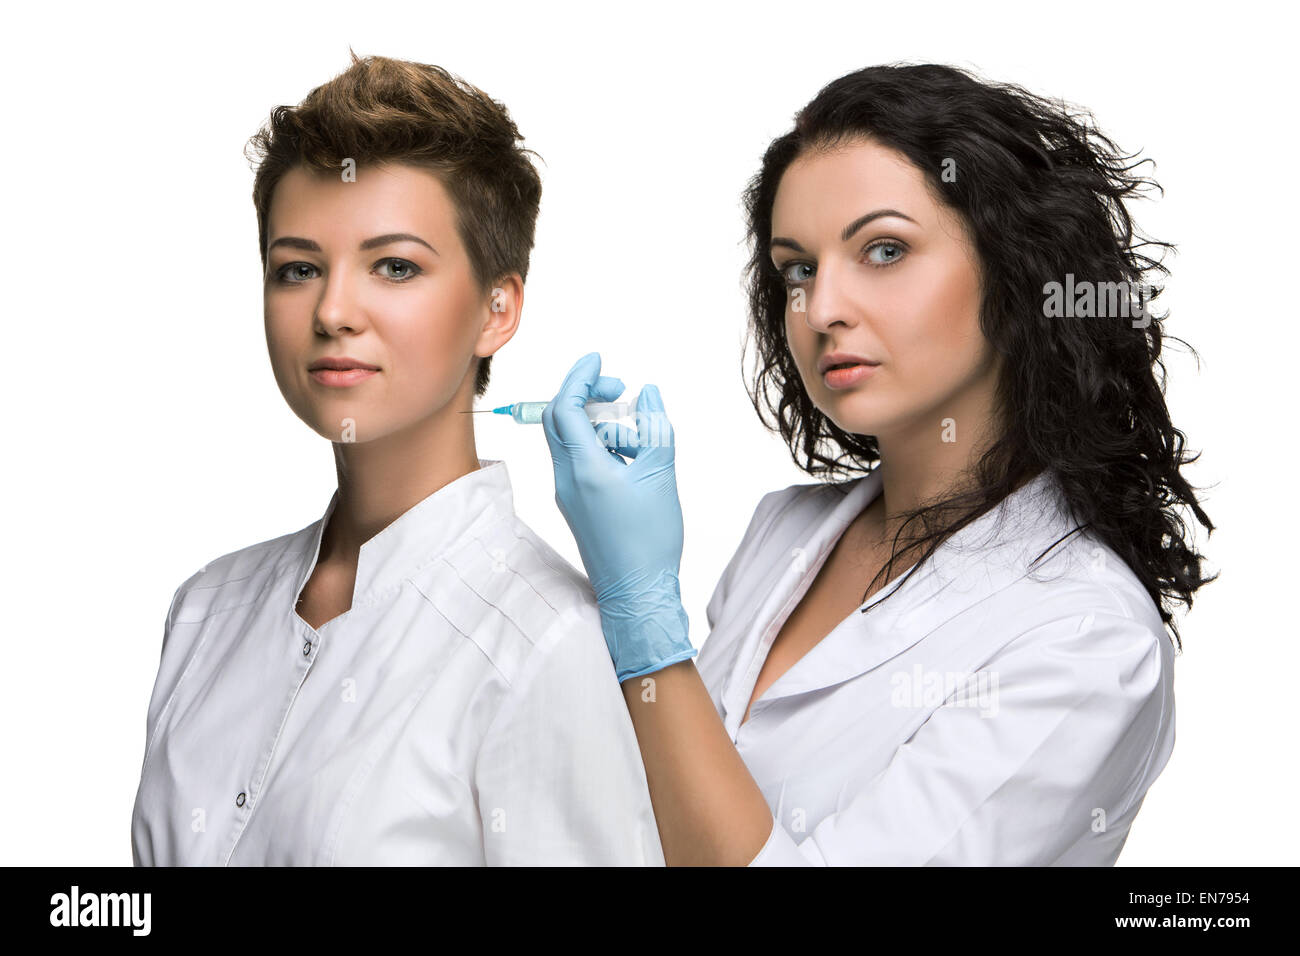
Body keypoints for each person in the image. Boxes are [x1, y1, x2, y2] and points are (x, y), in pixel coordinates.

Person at [542, 63, 1215, 866]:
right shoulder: (783, 532)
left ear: (1016, 274)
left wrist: (643, 615)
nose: (822, 308)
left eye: (885, 250)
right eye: (798, 267)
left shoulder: (1087, 641)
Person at [131, 52, 664, 866]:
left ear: (498, 310)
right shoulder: (205, 611)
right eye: (298, 268)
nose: (334, 310)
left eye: (395, 266)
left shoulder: (546, 645)